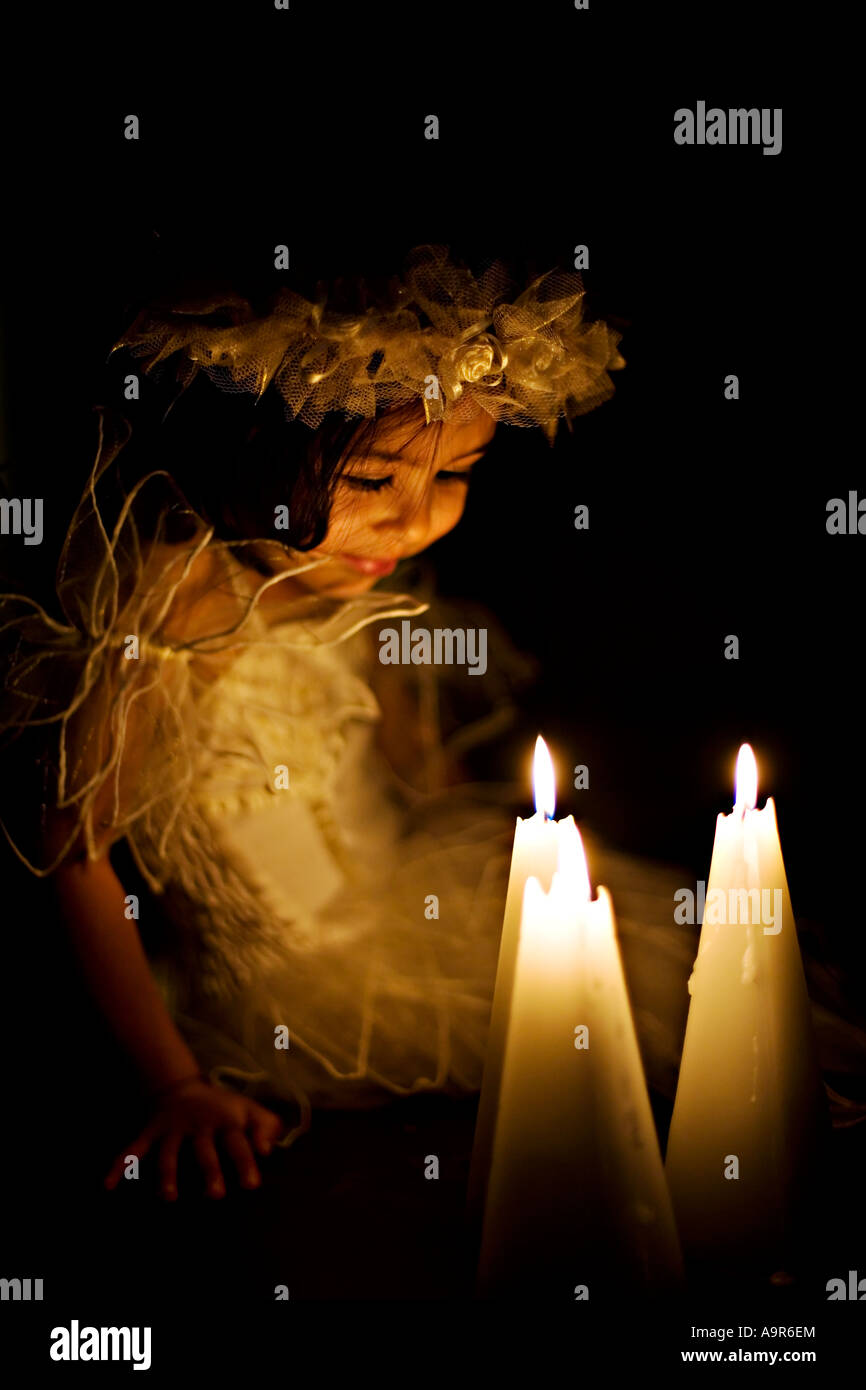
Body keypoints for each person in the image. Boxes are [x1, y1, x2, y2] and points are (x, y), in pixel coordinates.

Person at [1, 245, 861, 1206]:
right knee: (605, 1064)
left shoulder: (352, 571)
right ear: (254, 452)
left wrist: (474, 835)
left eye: (457, 476)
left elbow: (396, 755)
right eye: (373, 483)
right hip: (293, 983)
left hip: (403, 884)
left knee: (698, 990)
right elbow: (76, 857)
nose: (414, 523)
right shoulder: (165, 609)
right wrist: (176, 1086)